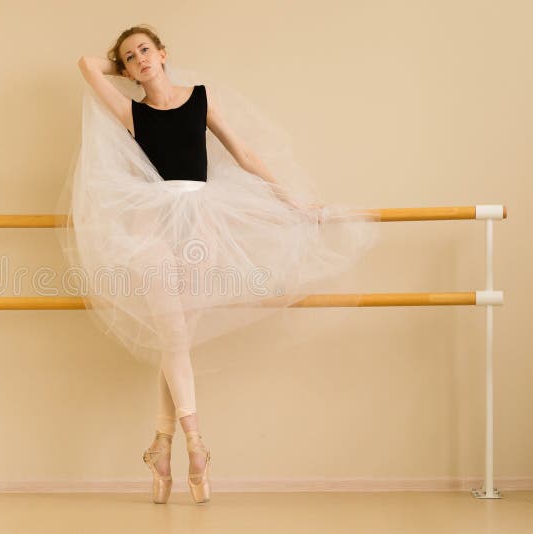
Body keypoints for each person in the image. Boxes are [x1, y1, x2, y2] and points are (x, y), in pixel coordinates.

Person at [57, 24, 380, 505]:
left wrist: (292, 201)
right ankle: (196, 444)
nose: (140, 58)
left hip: (203, 225)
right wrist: (121, 70)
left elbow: (244, 153)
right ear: (125, 70)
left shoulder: (199, 99)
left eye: (146, 50)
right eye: (130, 57)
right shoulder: (131, 111)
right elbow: (87, 64)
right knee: (175, 338)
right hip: (153, 227)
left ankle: (164, 448)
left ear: (164, 54)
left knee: (176, 340)